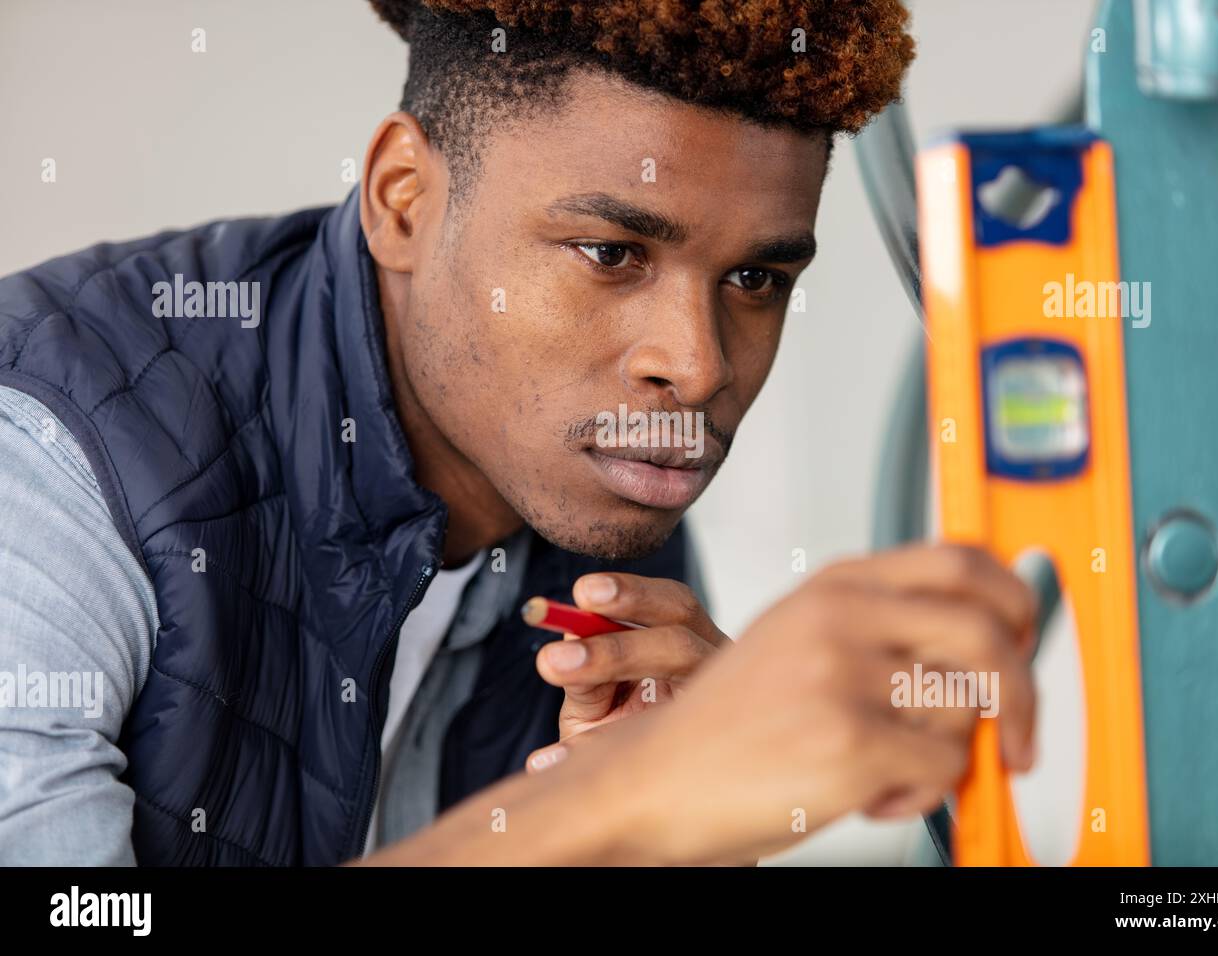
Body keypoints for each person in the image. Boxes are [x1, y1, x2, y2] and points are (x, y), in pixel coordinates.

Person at [0, 0, 1035, 866]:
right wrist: (615, 801)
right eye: (609, 252)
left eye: (755, 279)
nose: (699, 362)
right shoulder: (46, 462)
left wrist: (679, 839)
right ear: (402, 200)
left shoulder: (607, 517)